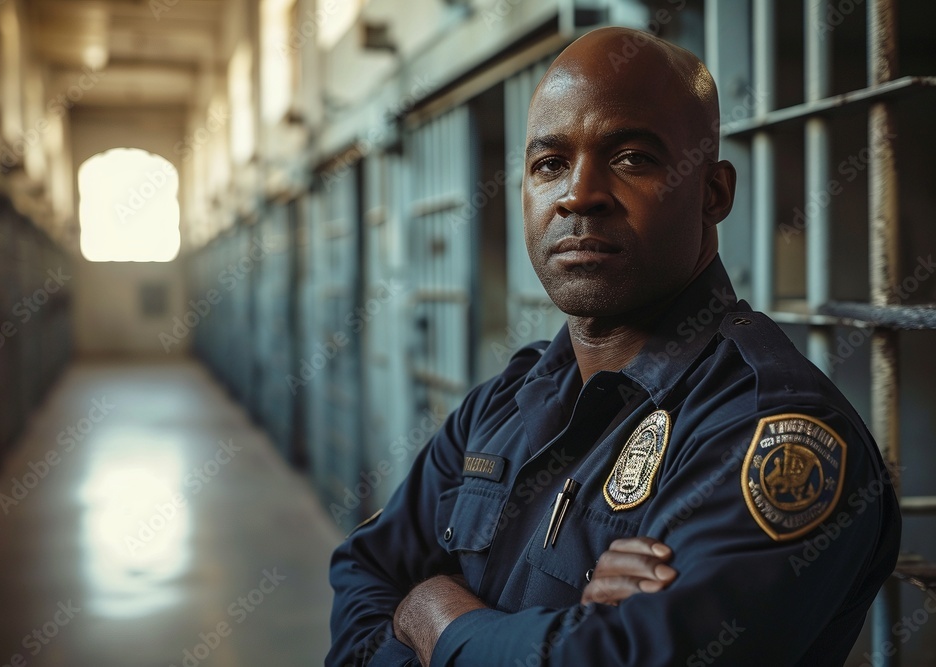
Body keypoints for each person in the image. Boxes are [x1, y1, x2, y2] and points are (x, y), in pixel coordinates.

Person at [327, 26, 901, 666]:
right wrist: (561, 634)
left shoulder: (771, 433)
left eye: (631, 158)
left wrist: (431, 612)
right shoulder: (504, 405)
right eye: (549, 164)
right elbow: (363, 577)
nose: (578, 193)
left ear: (713, 193)